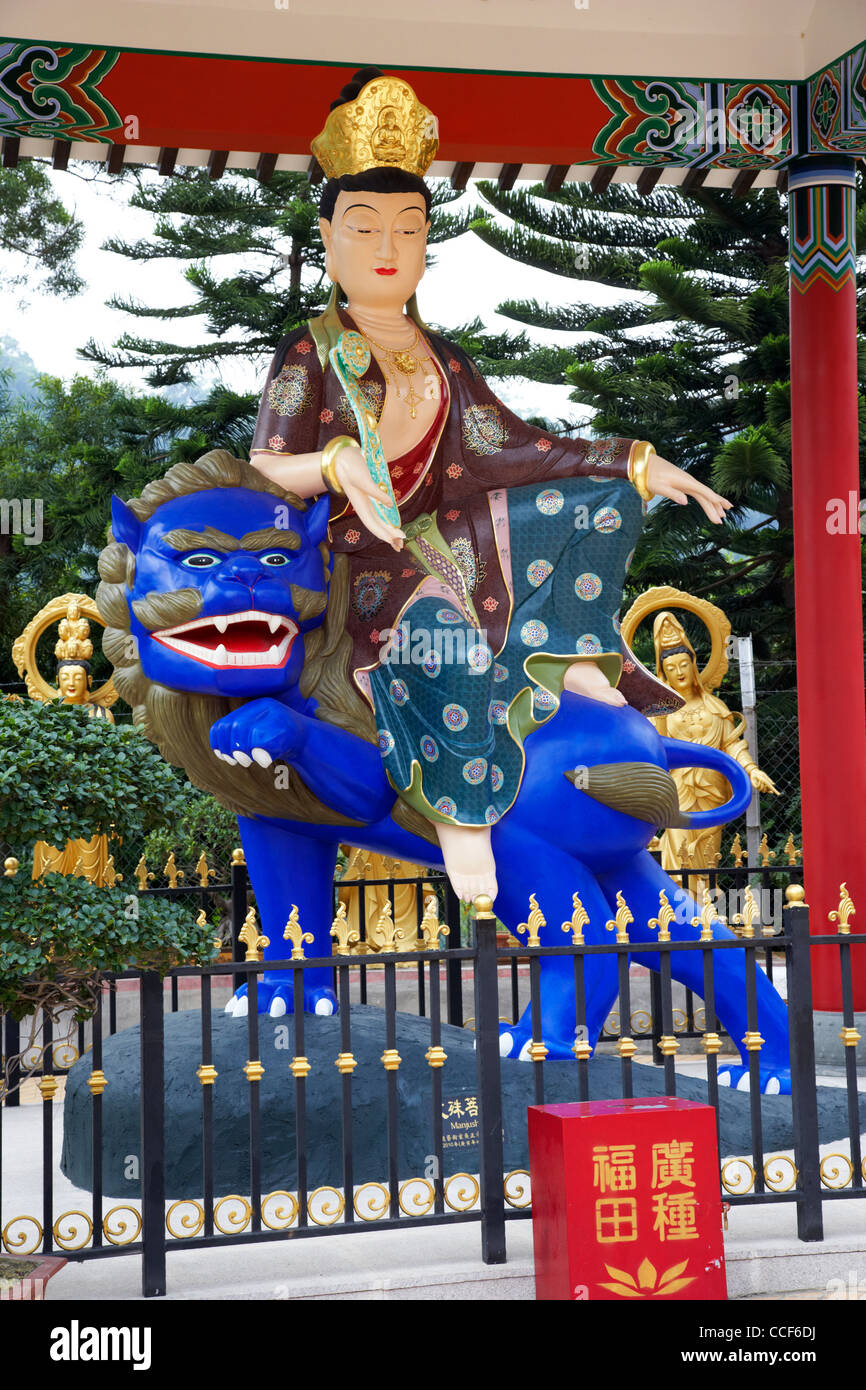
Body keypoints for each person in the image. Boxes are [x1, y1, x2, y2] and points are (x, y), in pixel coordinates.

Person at [248, 67, 730, 904]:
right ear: (328, 241)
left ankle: (566, 652)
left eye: (409, 228)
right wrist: (331, 465)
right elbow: (265, 468)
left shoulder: (447, 358)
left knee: (599, 500)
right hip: (366, 564)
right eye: (365, 229)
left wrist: (637, 464)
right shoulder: (310, 353)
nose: (389, 249)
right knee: (447, 634)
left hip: (452, 538)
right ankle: (466, 820)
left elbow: (519, 450)